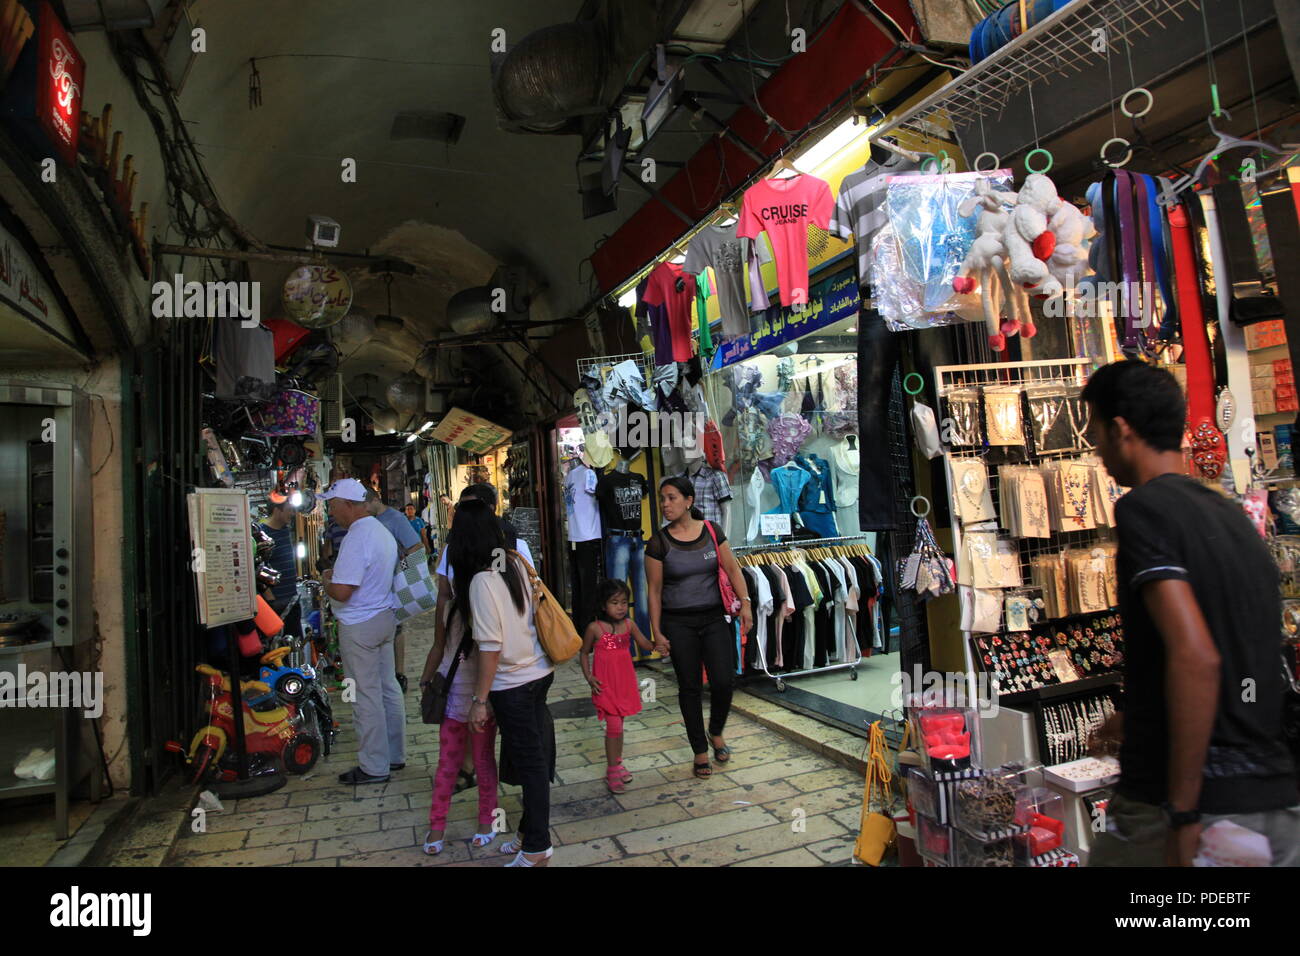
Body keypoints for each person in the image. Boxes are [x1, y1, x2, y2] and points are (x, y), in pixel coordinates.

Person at [1082, 360, 1298, 866]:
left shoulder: (1144, 509)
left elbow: (1197, 656)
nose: (1095, 447)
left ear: (1121, 429)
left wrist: (1183, 812)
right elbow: (1245, 660)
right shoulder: (1229, 514)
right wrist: (1142, 715)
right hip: (1269, 800)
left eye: (1095, 431)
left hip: (1185, 807)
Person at [455, 498, 556, 867]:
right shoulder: (514, 563)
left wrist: (479, 701)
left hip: (513, 684)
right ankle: (528, 836)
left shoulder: (482, 581)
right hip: (539, 673)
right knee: (534, 759)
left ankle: (538, 848)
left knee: (531, 765)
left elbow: (491, 646)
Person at [645, 475, 752, 779]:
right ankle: (700, 750)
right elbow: (654, 591)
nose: (665, 504)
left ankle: (715, 730)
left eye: (672, 498)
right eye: (662, 499)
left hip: (715, 618)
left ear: (689, 501)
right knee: (690, 687)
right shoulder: (658, 543)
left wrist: (745, 604)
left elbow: (732, 569)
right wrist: (657, 631)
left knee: (723, 681)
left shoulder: (711, 531)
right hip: (678, 623)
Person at [433, 482, 534, 790]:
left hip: (503, 650)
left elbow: (527, 593)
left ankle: (508, 774)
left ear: (490, 510)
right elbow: (443, 592)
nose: (466, 516)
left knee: (499, 713)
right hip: (467, 644)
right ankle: (471, 766)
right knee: (472, 708)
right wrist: (441, 639)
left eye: (472, 508)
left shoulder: (511, 546)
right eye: (462, 509)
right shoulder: (454, 547)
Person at [321, 478, 405, 784]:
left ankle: (373, 766)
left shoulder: (357, 536)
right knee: (387, 687)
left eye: (333, 506)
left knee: (364, 694)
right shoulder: (380, 530)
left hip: (360, 624)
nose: (331, 513)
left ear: (348, 504)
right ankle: (394, 755)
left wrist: (327, 581)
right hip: (383, 618)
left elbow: (343, 591)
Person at [417, 557, 499, 856]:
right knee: (471, 763)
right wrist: (425, 680)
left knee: (462, 764)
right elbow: (439, 647)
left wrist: (426, 680)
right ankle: (453, 824)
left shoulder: (479, 610)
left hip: (476, 703)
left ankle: (468, 824)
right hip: (461, 701)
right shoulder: (453, 610)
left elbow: (442, 648)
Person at [581, 579, 654, 793]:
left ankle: (617, 763)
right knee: (614, 726)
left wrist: (661, 643)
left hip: (624, 685)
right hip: (605, 686)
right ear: (603, 605)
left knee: (619, 726)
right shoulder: (595, 628)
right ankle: (612, 769)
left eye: (624, 602)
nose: (621, 607)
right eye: (615, 602)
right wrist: (589, 677)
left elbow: (645, 644)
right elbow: (584, 653)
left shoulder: (629, 625)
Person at [366, 490, 424, 694]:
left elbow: (416, 546)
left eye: (365, 505)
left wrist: (402, 570)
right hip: (373, 586)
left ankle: (398, 673)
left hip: (392, 583)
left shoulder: (395, 518)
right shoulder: (368, 520)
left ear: (374, 500)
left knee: (397, 627)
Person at [259, 492, 300, 637]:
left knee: (296, 642)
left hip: (292, 598)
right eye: (289, 510)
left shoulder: (285, 530)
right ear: (277, 510)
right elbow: (259, 567)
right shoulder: (262, 534)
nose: (292, 513)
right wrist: (271, 600)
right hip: (277, 602)